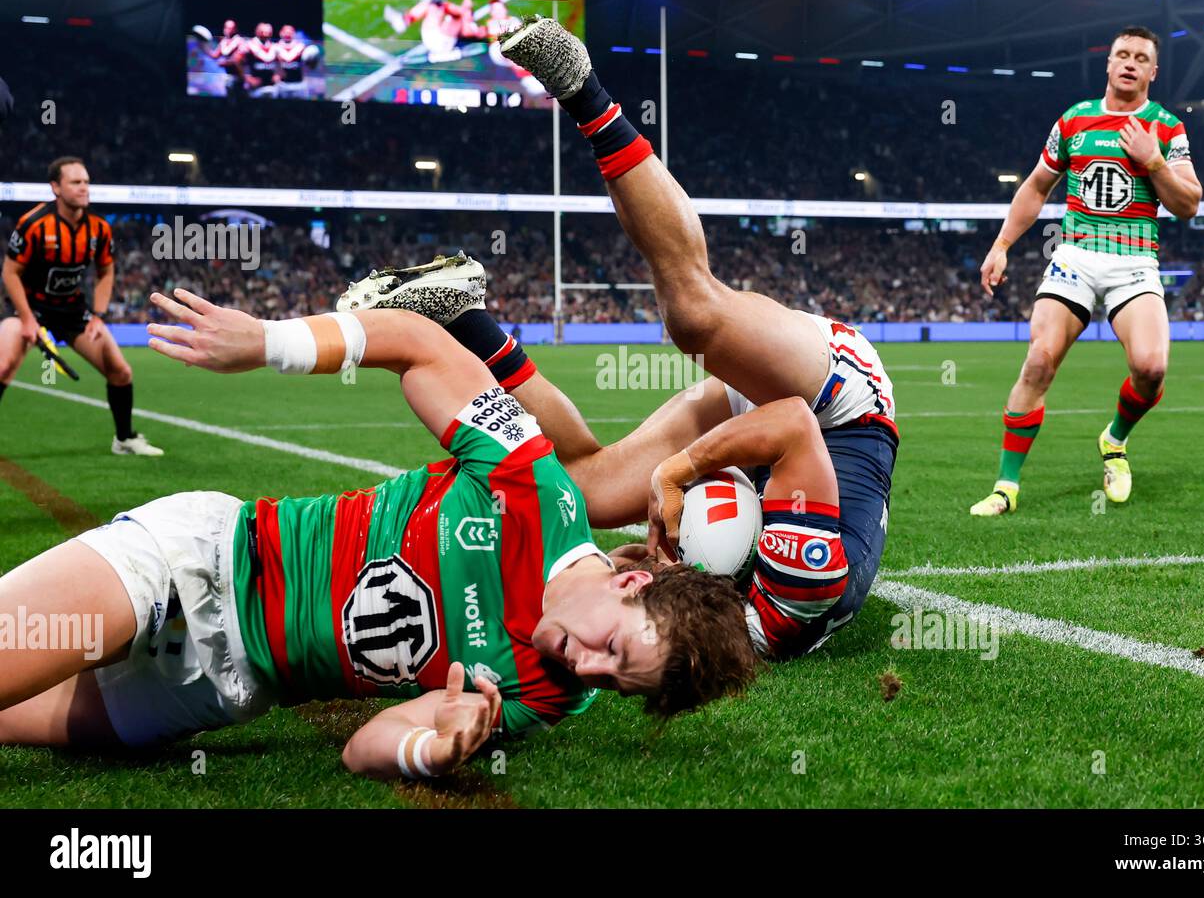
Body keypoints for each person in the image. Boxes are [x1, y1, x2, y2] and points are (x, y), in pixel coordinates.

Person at [0, 296, 755, 780]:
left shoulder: (548, 696)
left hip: (222, 688)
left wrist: (431, 748)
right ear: (632, 583)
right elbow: (419, 343)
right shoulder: (535, 489)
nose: (584, 667)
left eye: (611, 683)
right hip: (201, 563)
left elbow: (363, 748)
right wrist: (272, 342)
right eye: (612, 650)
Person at [337, 16, 898, 659]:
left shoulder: (723, 624)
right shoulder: (799, 593)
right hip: (841, 410)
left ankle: (463, 316)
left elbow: (673, 576)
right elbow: (793, 421)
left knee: (584, 491)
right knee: (693, 318)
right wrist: (677, 471)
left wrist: (658, 562)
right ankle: (582, 89)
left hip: (769, 457)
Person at [970, 25, 1202, 516]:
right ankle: (1005, 488)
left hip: (1135, 262)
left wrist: (1155, 163)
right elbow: (1035, 188)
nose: (1130, 62)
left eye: (1141, 57)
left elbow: (1189, 205)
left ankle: (1114, 441)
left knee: (1151, 368)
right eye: (1122, 54)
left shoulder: (1166, 126)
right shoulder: (1074, 120)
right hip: (1075, 257)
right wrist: (1001, 244)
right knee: (1039, 360)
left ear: (1153, 72)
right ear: (1108, 62)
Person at [0, 156, 163, 455]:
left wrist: (98, 316)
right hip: (29, 306)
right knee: (3, 366)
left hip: (72, 311)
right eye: (75, 182)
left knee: (120, 372)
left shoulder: (99, 229)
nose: (84, 188)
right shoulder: (33, 224)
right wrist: (26, 319)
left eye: (86, 181)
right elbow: (10, 273)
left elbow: (106, 272)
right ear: (55, 187)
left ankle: (124, 439)